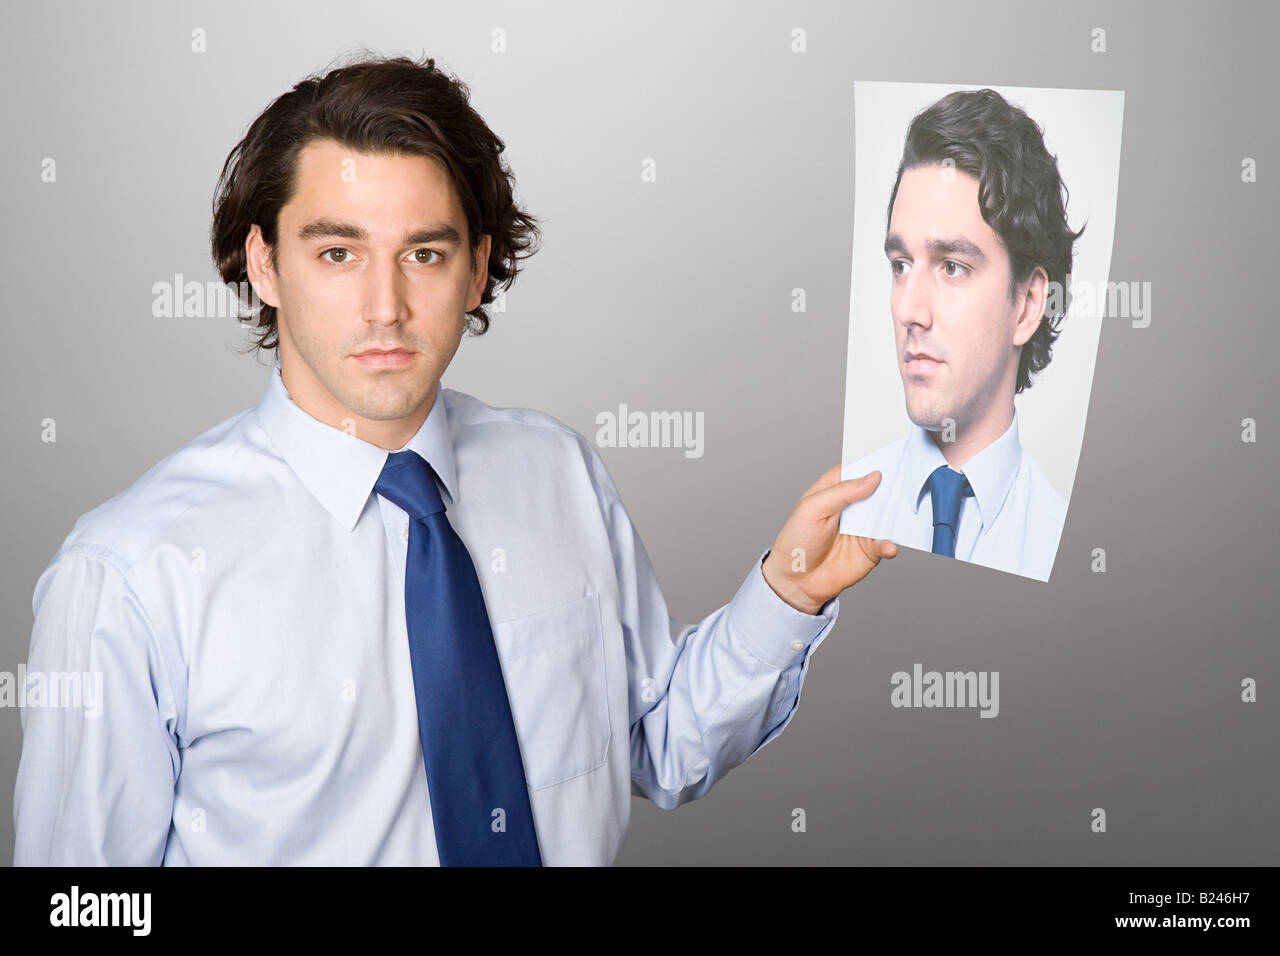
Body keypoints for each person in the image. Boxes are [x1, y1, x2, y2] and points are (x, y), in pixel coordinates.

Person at [12, 54, 896, 866]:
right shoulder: (128, 576)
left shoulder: (556, 473)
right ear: (265, 266)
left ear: (476, 271)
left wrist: (788, 593)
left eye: (424, 254)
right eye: (337, 253)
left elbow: (657, 743)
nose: (385, 306)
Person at [841, 88, 1083, 582]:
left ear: (1029, 305)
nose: (909, 310)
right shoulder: (836, 516)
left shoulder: (1063, 545)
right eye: (901, 265)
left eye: (952, 266)